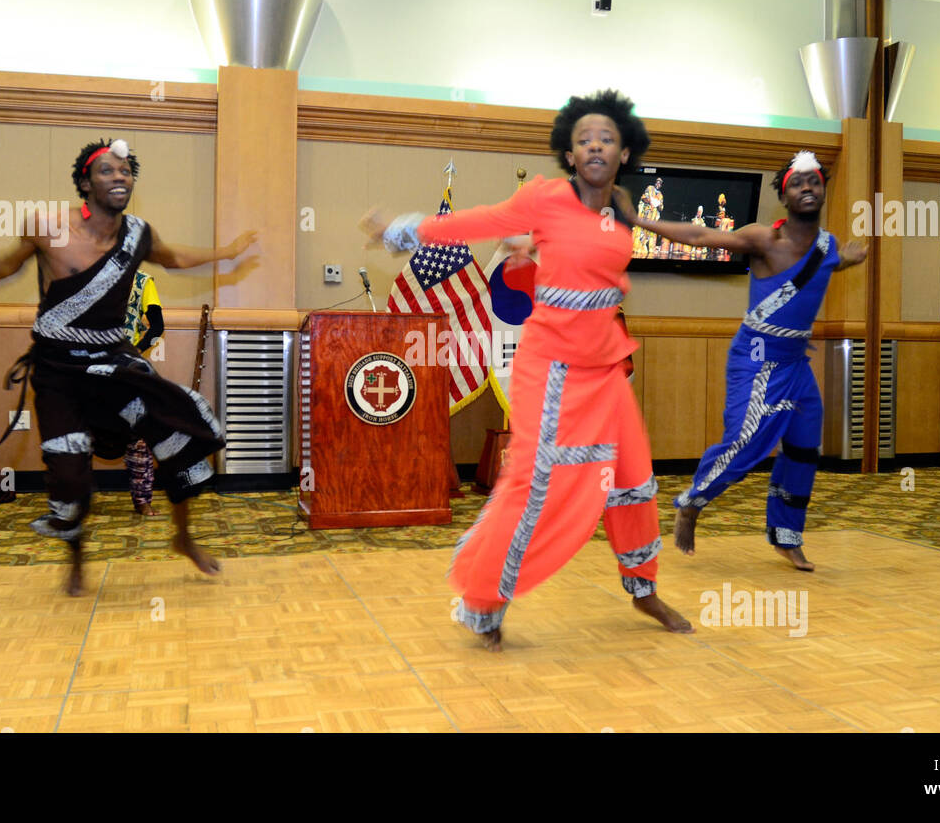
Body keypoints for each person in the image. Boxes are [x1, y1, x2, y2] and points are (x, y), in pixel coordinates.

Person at [363, 90, 694, 651]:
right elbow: (480, 221)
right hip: (555, 366)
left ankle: (643, 588)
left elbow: (680, 238)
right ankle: (484, 600)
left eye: (607, 138)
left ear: (624, 153)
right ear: (569, 153)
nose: (595, 145)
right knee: (536, 482)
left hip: (605, 366)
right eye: (584, 138)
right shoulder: (544, 199)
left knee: (633, 475)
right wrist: (404, 229)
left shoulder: (622, 209)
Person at [0, 138, 257, 595]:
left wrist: (226, 252)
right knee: (68, 473)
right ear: (85, 182)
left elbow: (176, 258)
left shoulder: (137, 235)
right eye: (107, 171)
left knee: (178, 431)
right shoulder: (47, 227)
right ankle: (77, 559)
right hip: (58, 371)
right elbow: (7, 265)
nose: (119, 177)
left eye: (125, 170)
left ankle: (183, 537)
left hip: (113, 363)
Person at [623, 150, 868, 571]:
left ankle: (786, 535)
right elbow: (699, 237)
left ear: (823, 189)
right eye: (797, 183)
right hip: (758, 359)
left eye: (814, 182)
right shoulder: (763, 239)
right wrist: (638, 219)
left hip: (796, 363)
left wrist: (847, 259)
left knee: (805, 449)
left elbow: (822, 268)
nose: (807, 188)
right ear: (784, 195)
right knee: (745, 443)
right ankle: (692, 502)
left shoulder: (827, 245)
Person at [123, 270, 163, 516]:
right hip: (92, 366)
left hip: (128, 369)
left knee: (139, 436)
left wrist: (134, 352)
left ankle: (142, 499)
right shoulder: (90, 275)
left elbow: (157, 327)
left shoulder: (142, 282)